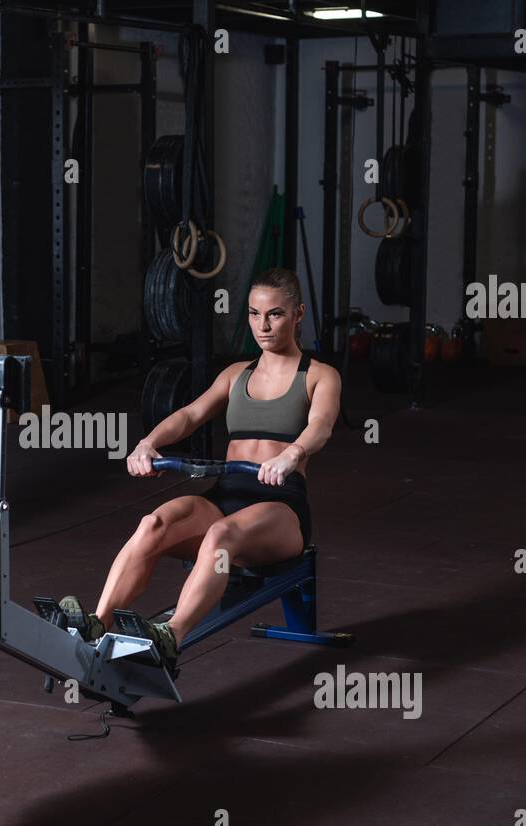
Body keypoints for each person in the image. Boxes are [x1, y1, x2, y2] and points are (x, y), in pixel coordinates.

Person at [59, 267, 341, 675]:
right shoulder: (235, 374)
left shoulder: (319, 375)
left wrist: (291, 455)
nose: (262, 325)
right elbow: (190, 415)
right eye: (254, 314)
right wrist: (148, 443)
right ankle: (96, 623)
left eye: (275, 314)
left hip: (280, 507)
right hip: (227, 493)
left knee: (220, 536)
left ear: (297, 314)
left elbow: (322, 425)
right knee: (153, 523)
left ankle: (170, 637)